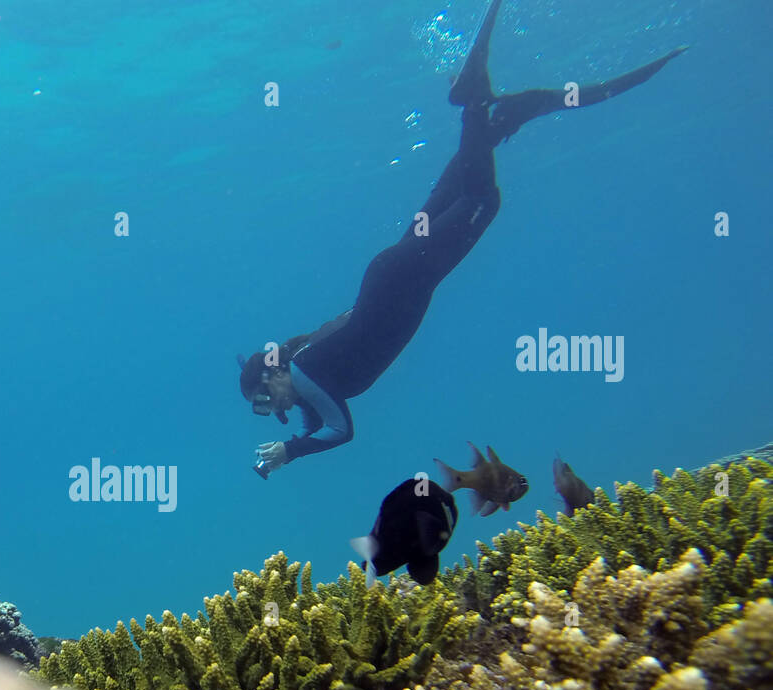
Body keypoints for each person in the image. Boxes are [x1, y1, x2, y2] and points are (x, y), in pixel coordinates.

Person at [239, 0, 686, 476]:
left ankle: (475, 104)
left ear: (276, 372)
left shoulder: (308, 375)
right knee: (461, 187)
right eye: (266, 410)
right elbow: (318, 415)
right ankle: (494, 120)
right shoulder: (309, 370)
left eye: (265, 399)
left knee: (483, 202)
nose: (275, 409)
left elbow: (341, 431)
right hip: (394, 270)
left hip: (406, 277)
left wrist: (290, 452)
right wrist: (295, 437)